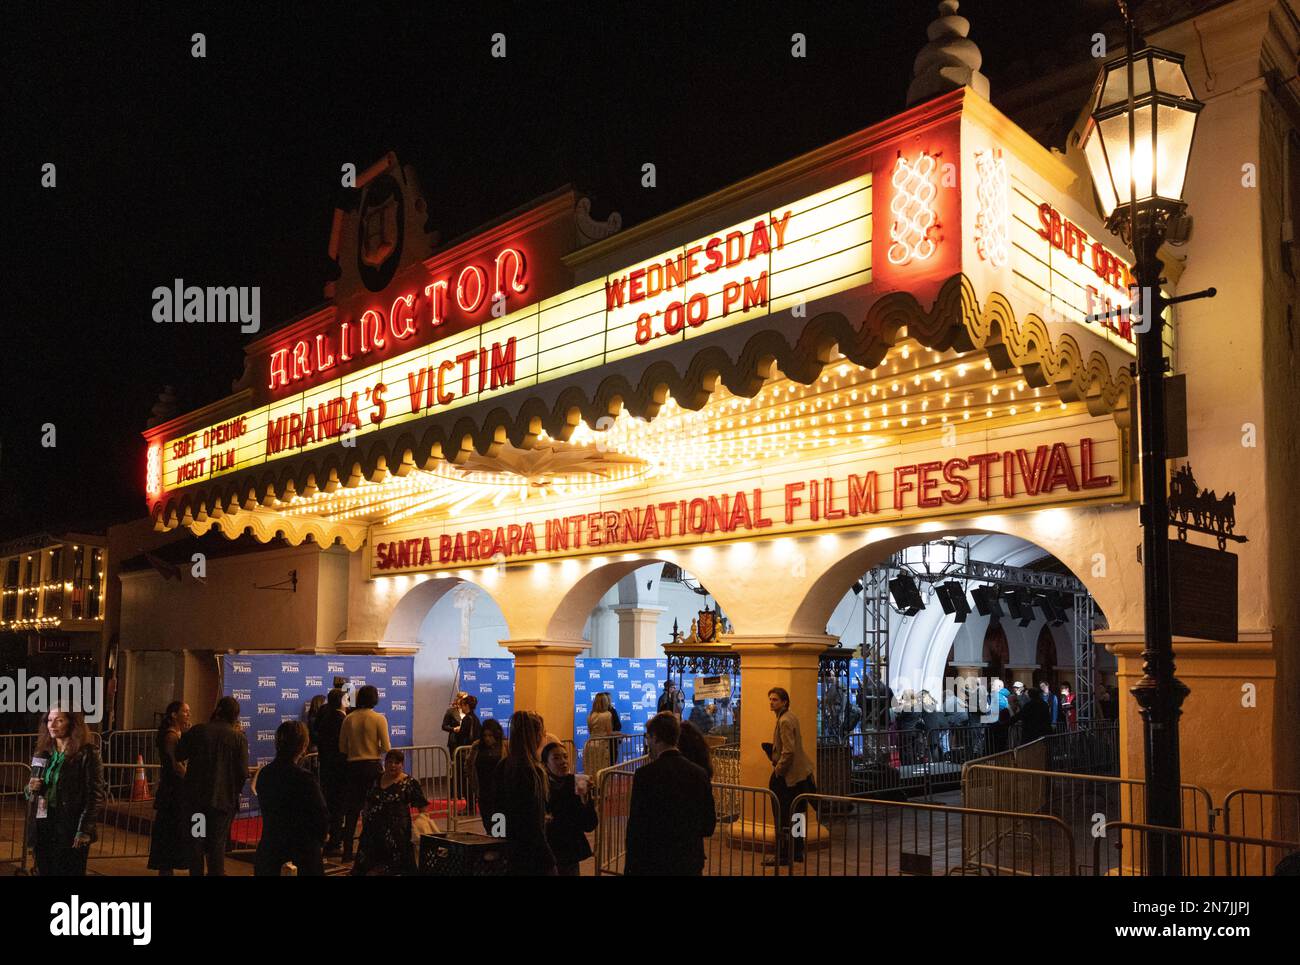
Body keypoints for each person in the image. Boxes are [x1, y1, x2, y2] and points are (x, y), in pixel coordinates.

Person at [624, 712, 716, 875]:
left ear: (655, 738)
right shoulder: (699, 773)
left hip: (654, 861)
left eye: (648, 738)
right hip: (689, 860)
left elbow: (637, 827)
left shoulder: (645, 775)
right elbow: (708, 825)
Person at [25, 709, 105, 876]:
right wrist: (29, 788)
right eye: (49, 720)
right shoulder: (43, 751)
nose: (52, 725)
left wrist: (84, 830)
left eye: (59, 720)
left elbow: (95, 795)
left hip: (70, 824)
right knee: (45, 869)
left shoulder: (88, 753)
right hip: (44, 823)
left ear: (72, 723)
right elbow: (32, 790)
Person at [176, 696, 249, 876]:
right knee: (217, 846)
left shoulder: (199, 731)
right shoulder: (238, 739)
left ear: (218, 711)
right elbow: (242, 772)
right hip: (222, 804)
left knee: (196, 842)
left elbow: (179, 754)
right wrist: (232, 793)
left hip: (196, 802)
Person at [254, 721, 329, 876]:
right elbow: (320, 814)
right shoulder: (305, 778)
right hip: (302, 850)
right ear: (303, 746)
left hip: (271, 847)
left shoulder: (265, 774)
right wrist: (321, 839)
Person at [494, 710, 556, 875]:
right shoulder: (531, 772)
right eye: (542, 733)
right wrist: (548, 859)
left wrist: (499, 841)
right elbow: (532, 823)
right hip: (530, 854)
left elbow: (496, 811)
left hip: (510, 849)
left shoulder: (504, 765)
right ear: (535, 736)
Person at [352, 749, 430, 876]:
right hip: (372, 832)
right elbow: (367, 800)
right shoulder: (376, 779)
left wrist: (422, 822)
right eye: (389, 762)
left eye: (396, 763)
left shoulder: (409, 783)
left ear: (402, 764)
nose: (392, 765)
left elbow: (422, 806)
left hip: (397, 835)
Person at [338, 684, 390, 862]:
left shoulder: (349, 719)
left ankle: (346, 852)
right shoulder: (379, 718)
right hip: (372, 767)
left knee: (351, 812)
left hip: (352, 768)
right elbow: (386, 747)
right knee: (374, 810)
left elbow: (342, 748)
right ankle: (371, 850)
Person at [765, 687, 816, 867]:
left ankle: (785, 854)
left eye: (775, 699)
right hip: (801, 774)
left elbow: (789, 751)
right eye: (770, 699)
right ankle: (797, 851)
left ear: (785, 702)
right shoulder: (790, 716)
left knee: (785, 815)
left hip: (789, 776)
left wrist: (778, 770)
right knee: (798, 815)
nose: (771, 702)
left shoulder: (784, 720)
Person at [541, 742, 597, 876]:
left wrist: (586, 800)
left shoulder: (576, 783)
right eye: (556, 758)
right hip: (547, 852)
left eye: (565, 757)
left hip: (569, 853)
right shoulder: (541, 786)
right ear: (545, 764)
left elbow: (589, 825)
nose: (563, 762)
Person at [148, 700, 190, 875]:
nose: (188, 714)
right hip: (172, 795)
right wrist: (188, 778)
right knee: (168, 836)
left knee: (172, 836)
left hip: (175, 794)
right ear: (174, 714)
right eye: (185, 711)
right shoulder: (170, 736)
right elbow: (173, 765)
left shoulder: (178, 734)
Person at [314, 688, 347, 855]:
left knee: (329, 804)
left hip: (327, 766)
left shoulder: (325, 716)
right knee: (338, 806)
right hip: (339, 768)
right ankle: (335, 841)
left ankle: (327, 839)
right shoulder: (342, 720)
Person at [470, 717, 505, 827]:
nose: (487, 739)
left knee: (498, 825)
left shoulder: (505, 746)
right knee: (487, 821)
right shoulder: (477, 746)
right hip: (483, 790)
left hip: (500, 791)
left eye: (490, 736)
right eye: (485, 736)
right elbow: (469, 765)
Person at [456, 694, 482, 812]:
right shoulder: (475, 718)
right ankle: (471, 805)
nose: (461, 707)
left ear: (467, 706)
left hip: (465, 754)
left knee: (465, 780)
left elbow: (462, 736)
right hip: (472, 753)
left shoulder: (467, 719)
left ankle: (470, 806)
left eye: (462, 705)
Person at [585, 692, 616, 776]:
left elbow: (590, 731)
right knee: (602, 771)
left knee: (591, 770)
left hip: (590, 744)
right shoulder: (608, 715)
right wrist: (619, 733)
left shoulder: (590, 715)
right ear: (605, 702)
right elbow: (609, 733)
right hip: (602, 746)